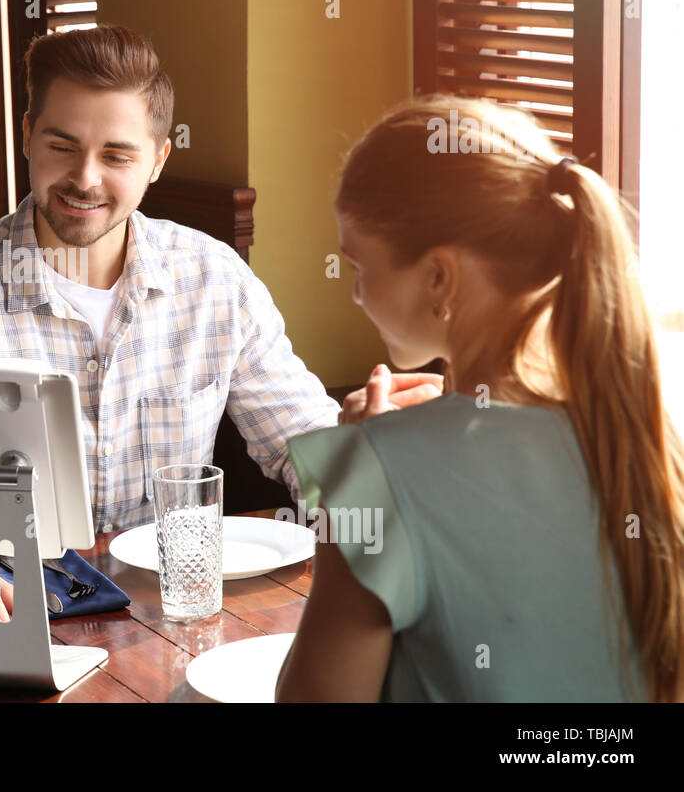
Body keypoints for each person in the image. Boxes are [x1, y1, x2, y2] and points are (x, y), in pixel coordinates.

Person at [0, 25, 432, 652]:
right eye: (61, 146)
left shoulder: (214, 281)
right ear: (26, 137)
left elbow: (302, 449)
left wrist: (369, 453)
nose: (85, 179)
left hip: (176, 635)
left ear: (158, 159)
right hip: (15, 636)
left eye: (117, 156)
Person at [276, 96, 684, 702]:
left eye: (357, 263)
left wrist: (361, 470)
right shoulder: (647, 442)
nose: (356, 292)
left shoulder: (372, 472)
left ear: (439, 278)